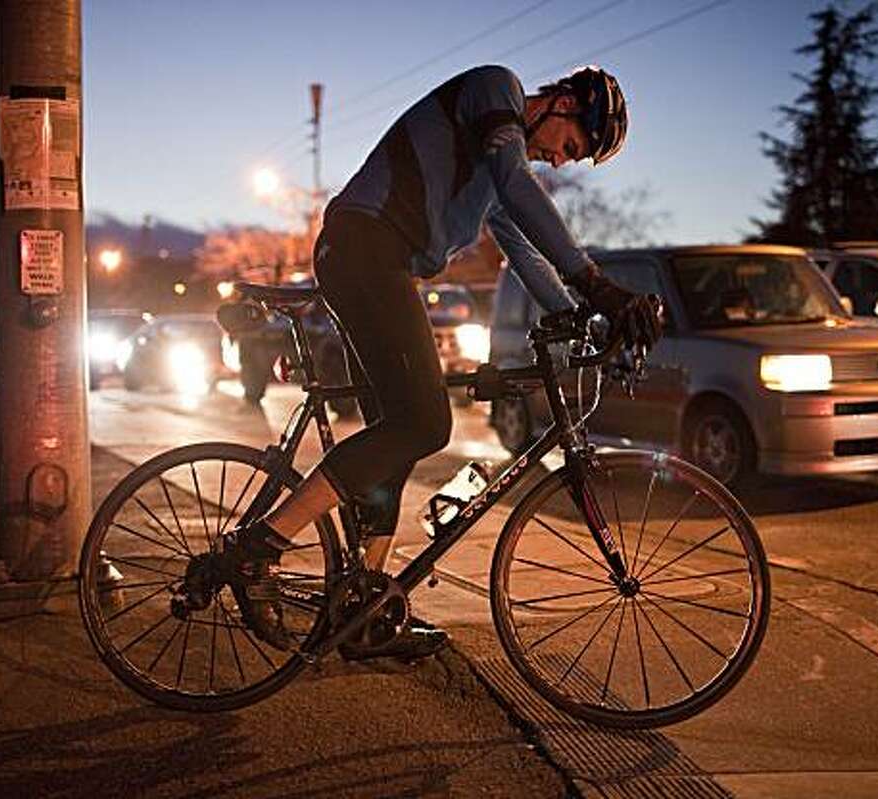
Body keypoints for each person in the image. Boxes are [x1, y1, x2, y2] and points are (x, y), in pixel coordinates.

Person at [231, 64, 662, 659]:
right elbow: (517, 184)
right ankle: (261, 547)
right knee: (426, 423)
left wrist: (581, 314)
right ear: (561, 102)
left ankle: (366, 608)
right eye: (571, 147)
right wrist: (597, 284)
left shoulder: (496, 167)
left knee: (397, 437)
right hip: (365, 248)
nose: (561, 162)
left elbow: (521, 248)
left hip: (377, 259)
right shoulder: (496, 90)